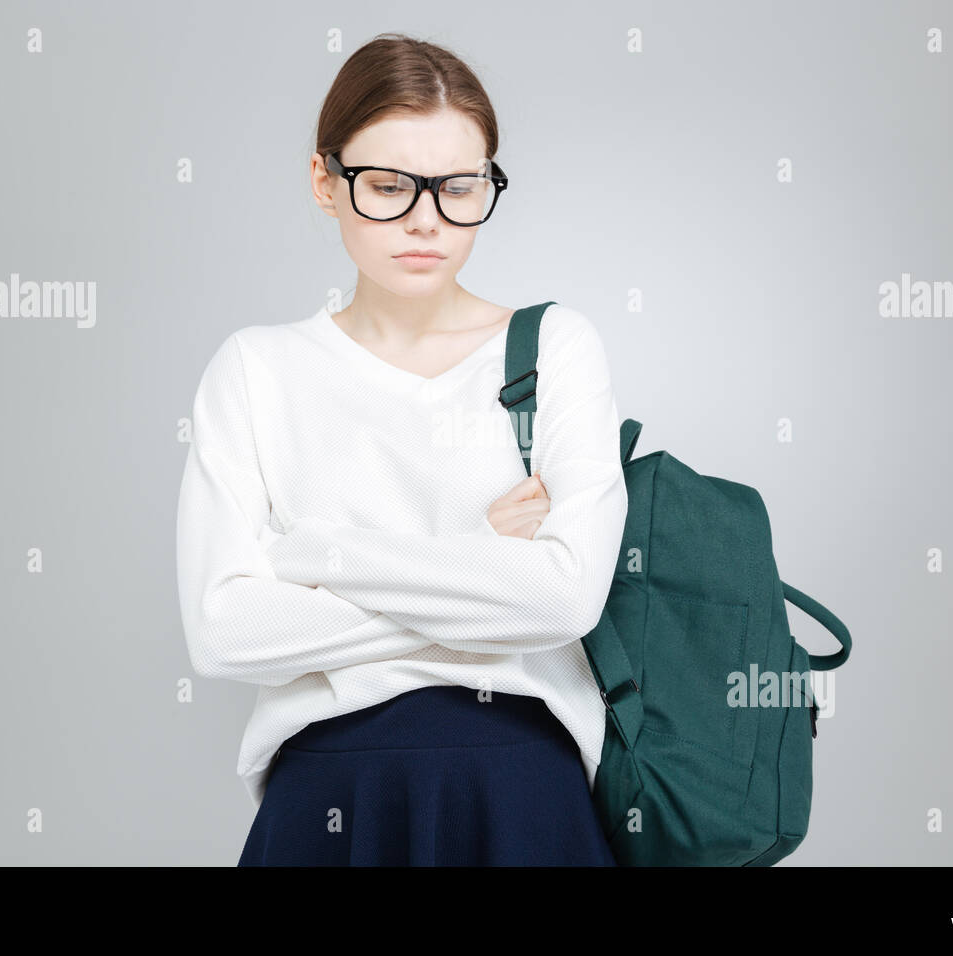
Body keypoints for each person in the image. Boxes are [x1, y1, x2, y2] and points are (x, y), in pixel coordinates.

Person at [175, 32, 629, 866]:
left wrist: (316, 556)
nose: (426, 220)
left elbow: (565, 601)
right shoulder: (256, 369)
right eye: (387, 186)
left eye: (459, 187)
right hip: (328, 795)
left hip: (523, 793)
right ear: (325, 181)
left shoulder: (554, 348)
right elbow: (224, 634)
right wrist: (484, 559)